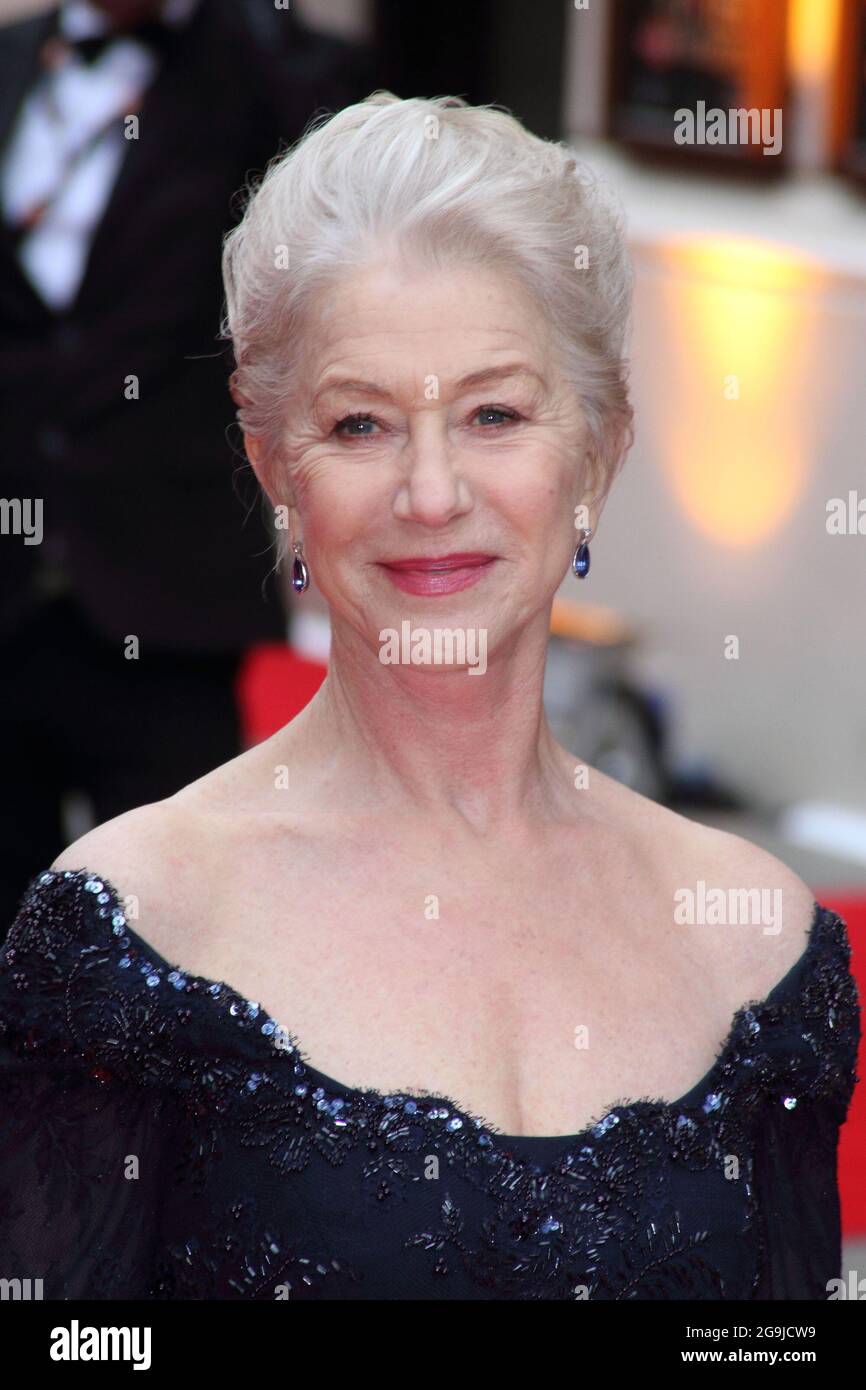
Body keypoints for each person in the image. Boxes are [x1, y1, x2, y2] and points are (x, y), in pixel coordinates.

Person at [0, 92, 859, 1301]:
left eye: (493, 414)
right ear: (274, 471)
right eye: (361, 424)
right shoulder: (133, 934)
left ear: (596, 455)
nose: (432, 490)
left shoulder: (759, 949)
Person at [0, 0, 376, 930]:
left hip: (164, 588)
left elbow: (348, 177)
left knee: (180, 926)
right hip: (7, 590)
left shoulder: (259, 70)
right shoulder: (13, 58)